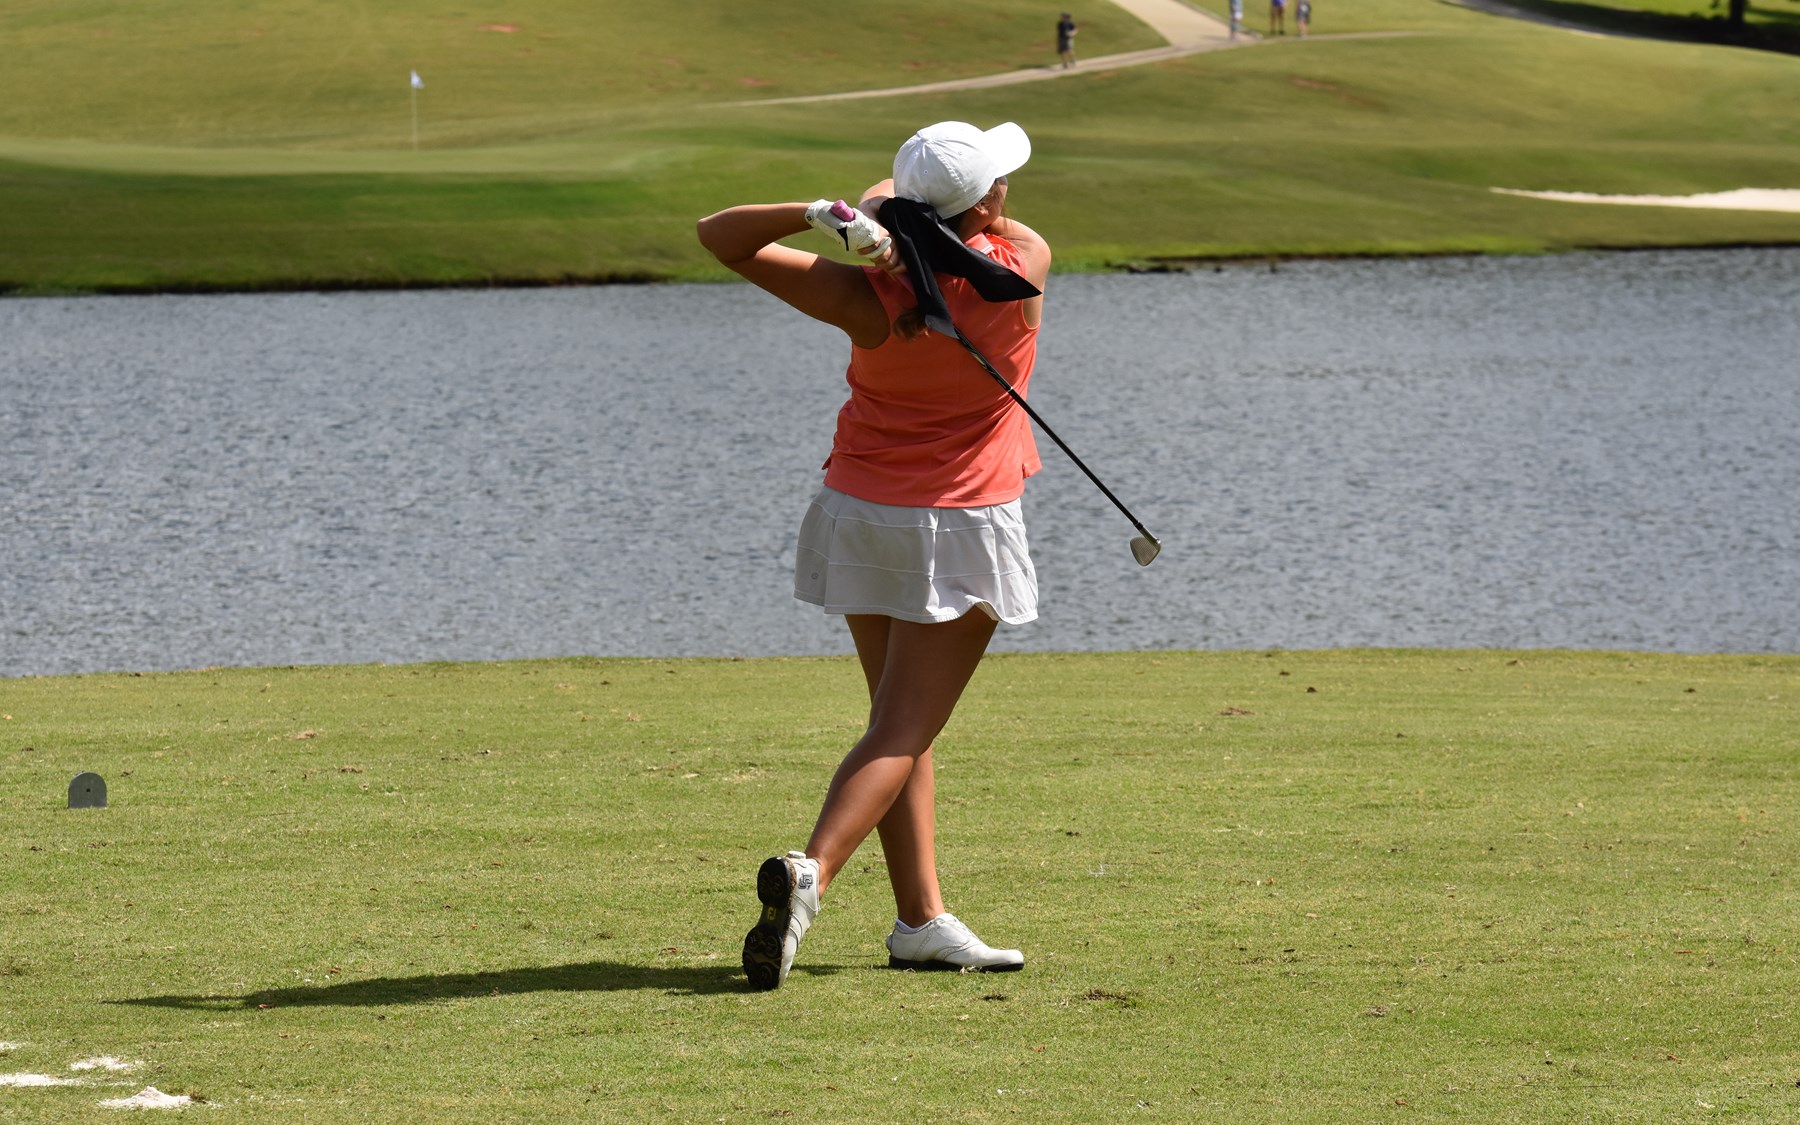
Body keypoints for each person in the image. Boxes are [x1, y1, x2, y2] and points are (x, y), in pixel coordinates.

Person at [696, 121, 1052, 991]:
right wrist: (900, 226)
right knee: (903, 727)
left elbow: (720, 234)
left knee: (898, 723)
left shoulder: (863, 296)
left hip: (860, 512)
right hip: (962, 520)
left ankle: (921, 920)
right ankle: (810, 873)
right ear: (991, 201)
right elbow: (954, 225)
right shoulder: (1026, 264)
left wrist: (830, 217)